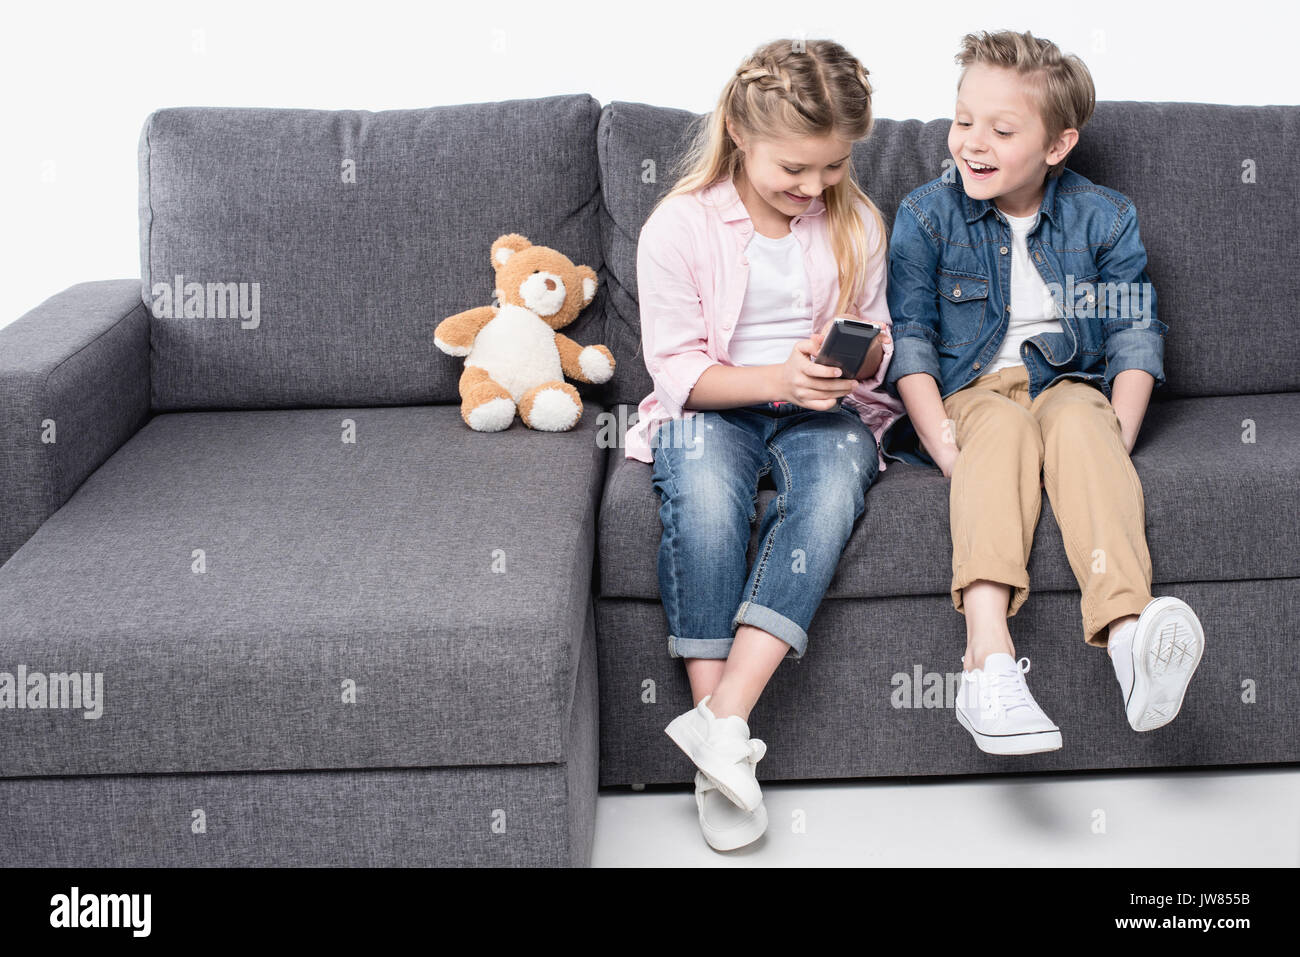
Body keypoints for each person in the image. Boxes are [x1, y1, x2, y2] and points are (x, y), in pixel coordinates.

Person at [884, 29, 1205, 757]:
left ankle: (1129, 639)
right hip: (973, 393)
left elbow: (1133, 334)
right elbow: (912, 339)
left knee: (1078, 420)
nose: (972, 142)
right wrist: (940, 438)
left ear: (1057, 146)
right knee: (999, 431)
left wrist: (1110, 434)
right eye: (963, 120)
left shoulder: (1105, 215)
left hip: (1067, 383)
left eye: (1001, 129)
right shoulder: (925, 215)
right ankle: (988, 660)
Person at [622, 37, 903, 849]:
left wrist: (858, 355)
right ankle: (725, 751)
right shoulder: (679, 226)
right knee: (706, 497)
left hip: (821, 410)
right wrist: (777, 377)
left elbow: (879, 335)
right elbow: (678, 370)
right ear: (741, 133)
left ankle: (720, 730)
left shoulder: (855, 222)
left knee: (837, 483)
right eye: (794, 170)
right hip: (719, 403)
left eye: (833, 167)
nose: (814, 189)